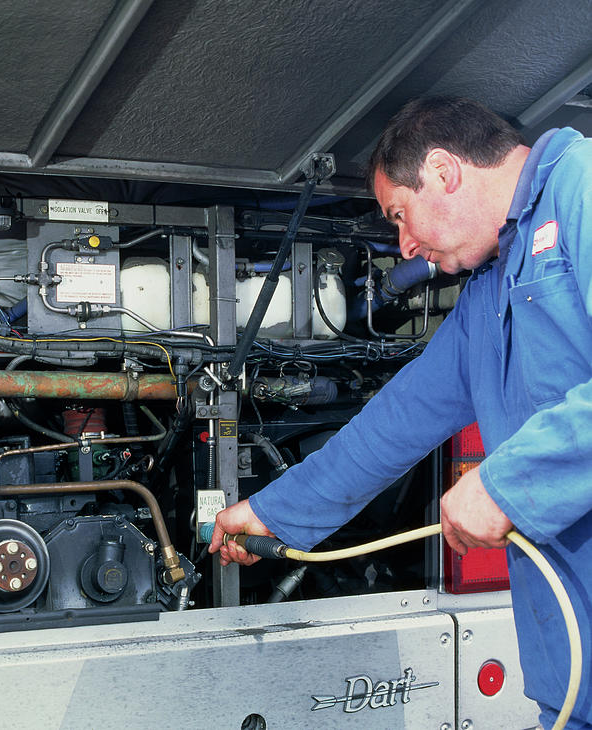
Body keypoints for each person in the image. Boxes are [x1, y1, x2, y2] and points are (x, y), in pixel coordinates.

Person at [209, 96, 592, 729]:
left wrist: (504, 486)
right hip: (572, 675)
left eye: (400, 215)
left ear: (444, 171)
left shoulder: (581, 187)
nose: (405, 244)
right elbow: (396, 422)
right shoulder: (488, 291)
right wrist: (271, 512)